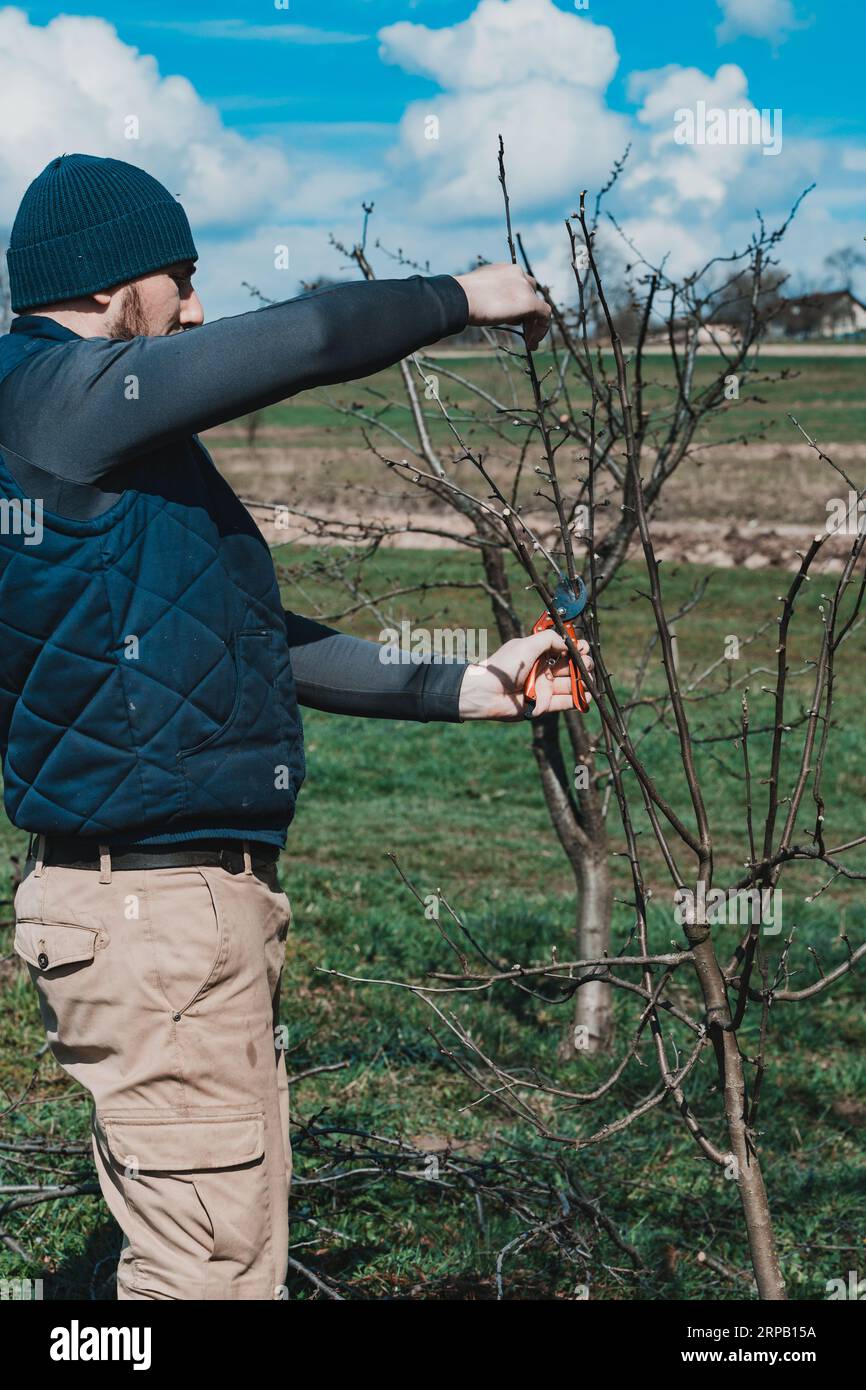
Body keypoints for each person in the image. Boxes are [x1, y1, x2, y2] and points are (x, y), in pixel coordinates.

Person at [0, 153, 593, 1300]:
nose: (198, 306)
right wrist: (465, 297)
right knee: (202, 1275)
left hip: (168, 913)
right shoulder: (56, 400)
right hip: (155, 915)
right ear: (119, 286)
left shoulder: (93, 446)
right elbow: (311, 336)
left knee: (222, 1253)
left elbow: (246, 629)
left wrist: (461, 684)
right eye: (182, 276)